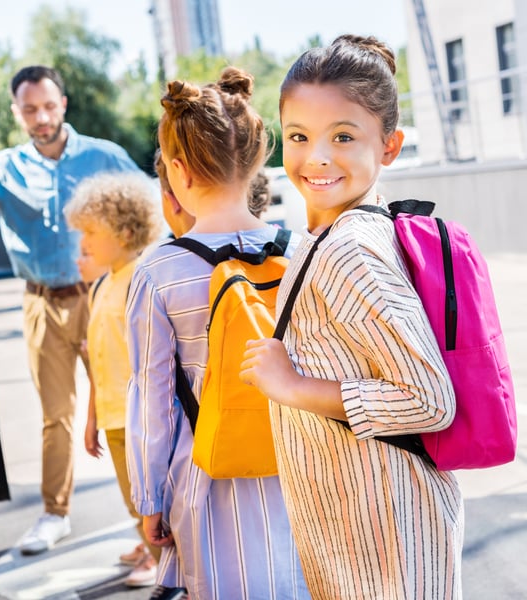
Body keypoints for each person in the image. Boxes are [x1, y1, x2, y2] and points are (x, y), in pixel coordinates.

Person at [240, 35, 464, 598]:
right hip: (359, 528)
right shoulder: (330, 234)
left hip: (385, 537)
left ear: (389, 147)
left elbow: (429, 399)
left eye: (342, 136)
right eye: (298, 137)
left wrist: (291, 385)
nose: (316, 157)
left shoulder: (350, 249)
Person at [125, 67, 310, 599]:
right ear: (255, 163)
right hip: (300, 469)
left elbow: (151, 400)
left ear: (177, 172)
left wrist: (150, 497)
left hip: (208, 479)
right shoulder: (298, 250)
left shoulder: (158, 272)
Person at [0, 65, 144, 555]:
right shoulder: (2, 170)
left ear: (64, 104)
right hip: (41, 303)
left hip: (103, 299)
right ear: (16, 112)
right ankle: (55, 514)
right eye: (31, 109)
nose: (42, 117)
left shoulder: (106, 156)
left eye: (49, 106)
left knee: (125, 412)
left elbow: (154, 207)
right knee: (55, 416)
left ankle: (148, 527)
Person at [64, 172, 164, 588]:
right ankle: (152, 548)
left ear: (125, 232)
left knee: (147, 498)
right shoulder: (101, 284)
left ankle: (165, 566)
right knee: (132, 496)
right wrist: (91, 419)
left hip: (139, 419)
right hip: (114, 416)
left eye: (90, 231)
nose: (82, 242)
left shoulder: (141, 279)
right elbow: (96, 360)